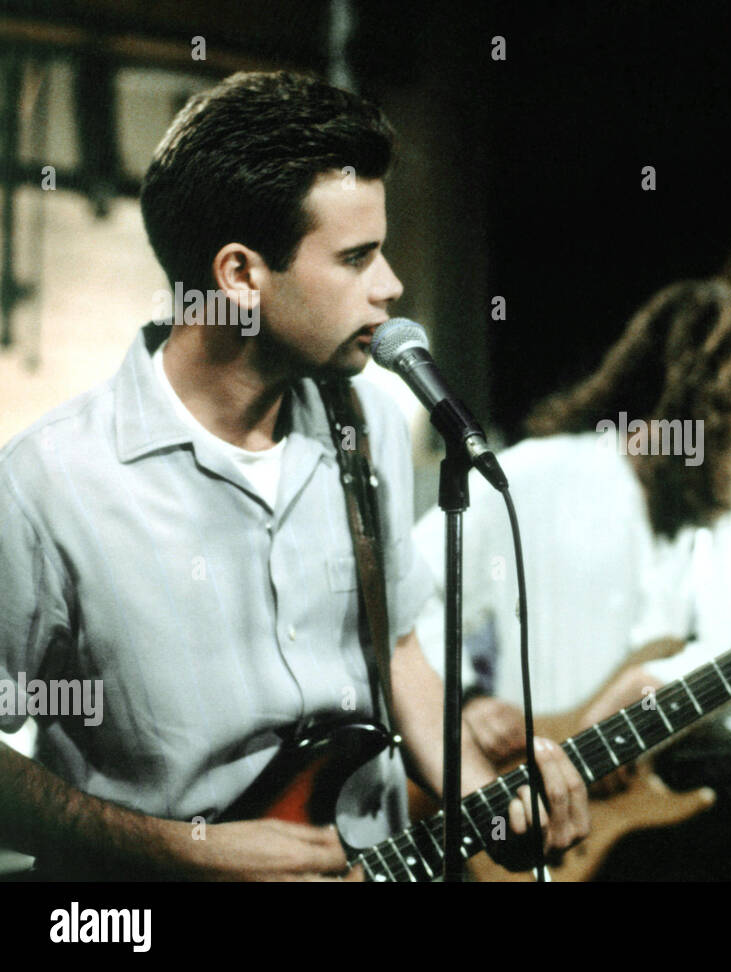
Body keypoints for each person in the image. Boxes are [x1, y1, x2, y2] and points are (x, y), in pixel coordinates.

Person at [0, 71, 588, 880]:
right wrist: (186, 853)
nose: (391, 285)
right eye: (357, 257)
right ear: (240, 276)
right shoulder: (47, 483)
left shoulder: (368, 423)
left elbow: (399, 659)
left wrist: (492, 803)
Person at [412, 279, 731, 880]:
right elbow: (405, 599)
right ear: (705, 385)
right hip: (532, 810)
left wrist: (658, 682)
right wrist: (463, 708)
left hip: (699, 830)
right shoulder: (534, 477)